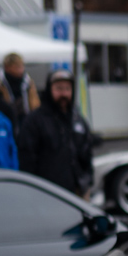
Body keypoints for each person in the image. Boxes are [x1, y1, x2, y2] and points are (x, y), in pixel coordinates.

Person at [20, 69, 99, 197]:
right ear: (49, 89)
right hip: (47, 193)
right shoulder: (34, 121)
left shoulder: (77, 120)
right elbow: (26, 160)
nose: (64, 93)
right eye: (59, 88)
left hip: (77, 192)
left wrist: (87, 181)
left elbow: (87, 154)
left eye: (67, 89)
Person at [0, 51, 40, 129]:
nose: (21, 70)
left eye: (22, 66)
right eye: (17, 67)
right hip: (5, 120)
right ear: (7, 68)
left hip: (26, 120)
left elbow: (35, 106)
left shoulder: (28, 83)